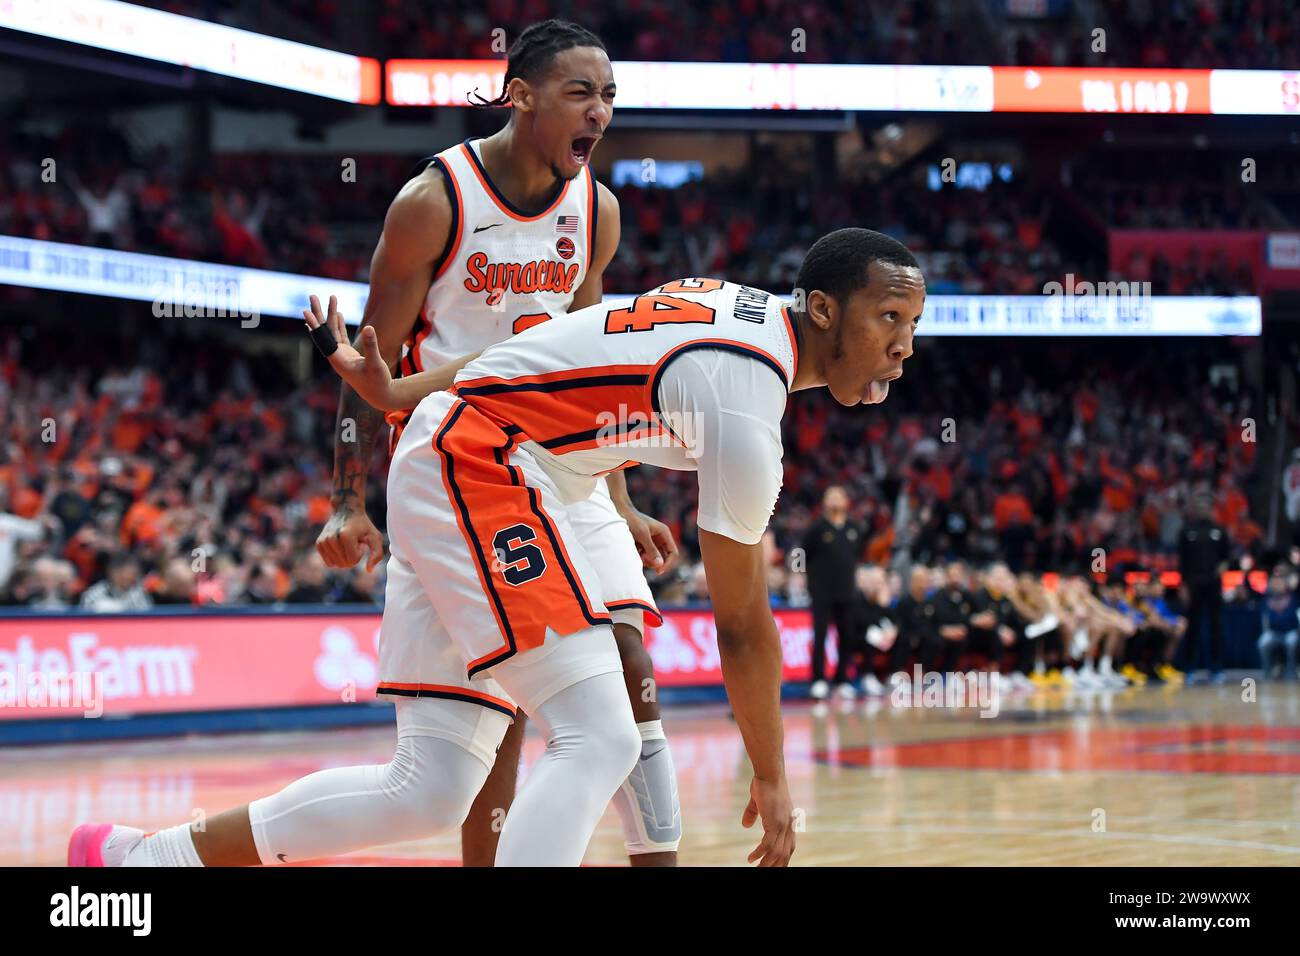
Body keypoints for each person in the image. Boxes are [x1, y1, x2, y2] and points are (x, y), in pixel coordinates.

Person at [70, 226, 921, 868]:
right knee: (602, 734)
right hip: (480, 464)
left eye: (912, 324)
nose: (904, 346)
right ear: (821, 308)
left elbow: (534, 350)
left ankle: (146, 859)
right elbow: (742, 625)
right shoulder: (747, 402)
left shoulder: (723, 302)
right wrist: (771, 775)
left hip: (461, 454)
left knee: (431, 786)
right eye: (889, 317)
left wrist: (401, 391)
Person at [311, 19, 680, 867]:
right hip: (458, 466)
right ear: (521, 95)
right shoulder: (433, 201)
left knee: (627, 663)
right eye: (582, 92)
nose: (602, 112)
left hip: (564, 467)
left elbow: (592, 365)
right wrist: (345, 499)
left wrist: (621, 500)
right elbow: (366, 366)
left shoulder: (598, 211)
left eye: (611, 96)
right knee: (469, 754)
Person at [801, 486, 865, 699]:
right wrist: (800, 575)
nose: (836, 499)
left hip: (847, 591)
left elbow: (858, 556)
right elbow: (798, 553)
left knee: (847, 636)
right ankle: (818, 679)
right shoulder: (817, 528)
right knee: (820, 636)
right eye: (831, 496)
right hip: (821, 592)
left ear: (847, 501)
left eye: (840, 496)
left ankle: (842, 680)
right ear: (824, 502)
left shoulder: (854, 527)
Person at [1178, 492, 1230, 684]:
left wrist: (1223, 566)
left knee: (1216, 627)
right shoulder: (1187, 531)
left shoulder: (1219, 530)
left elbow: (1227, 556)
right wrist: (1183, 586)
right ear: (1196, 509)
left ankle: (1216, 669)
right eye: (1199, 506)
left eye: (1206, 506)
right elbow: (1182, 562)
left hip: (1213, 586)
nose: (1203, 509)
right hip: (1193, 585)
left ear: (1211, 508)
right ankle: (1189, 668)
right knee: (1193, 627)